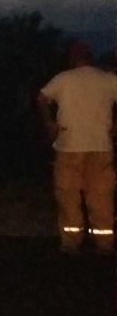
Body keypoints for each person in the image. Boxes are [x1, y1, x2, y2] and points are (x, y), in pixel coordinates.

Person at [36, 40, 117, 255]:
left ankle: (71, 242)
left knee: (68, 194)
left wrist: (49, 123)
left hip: (69, 145)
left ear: (72, 58)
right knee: (101, 195)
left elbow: (42, 98)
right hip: (101, 145)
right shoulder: (107, 80)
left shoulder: (64, 79)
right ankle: (105, 243)